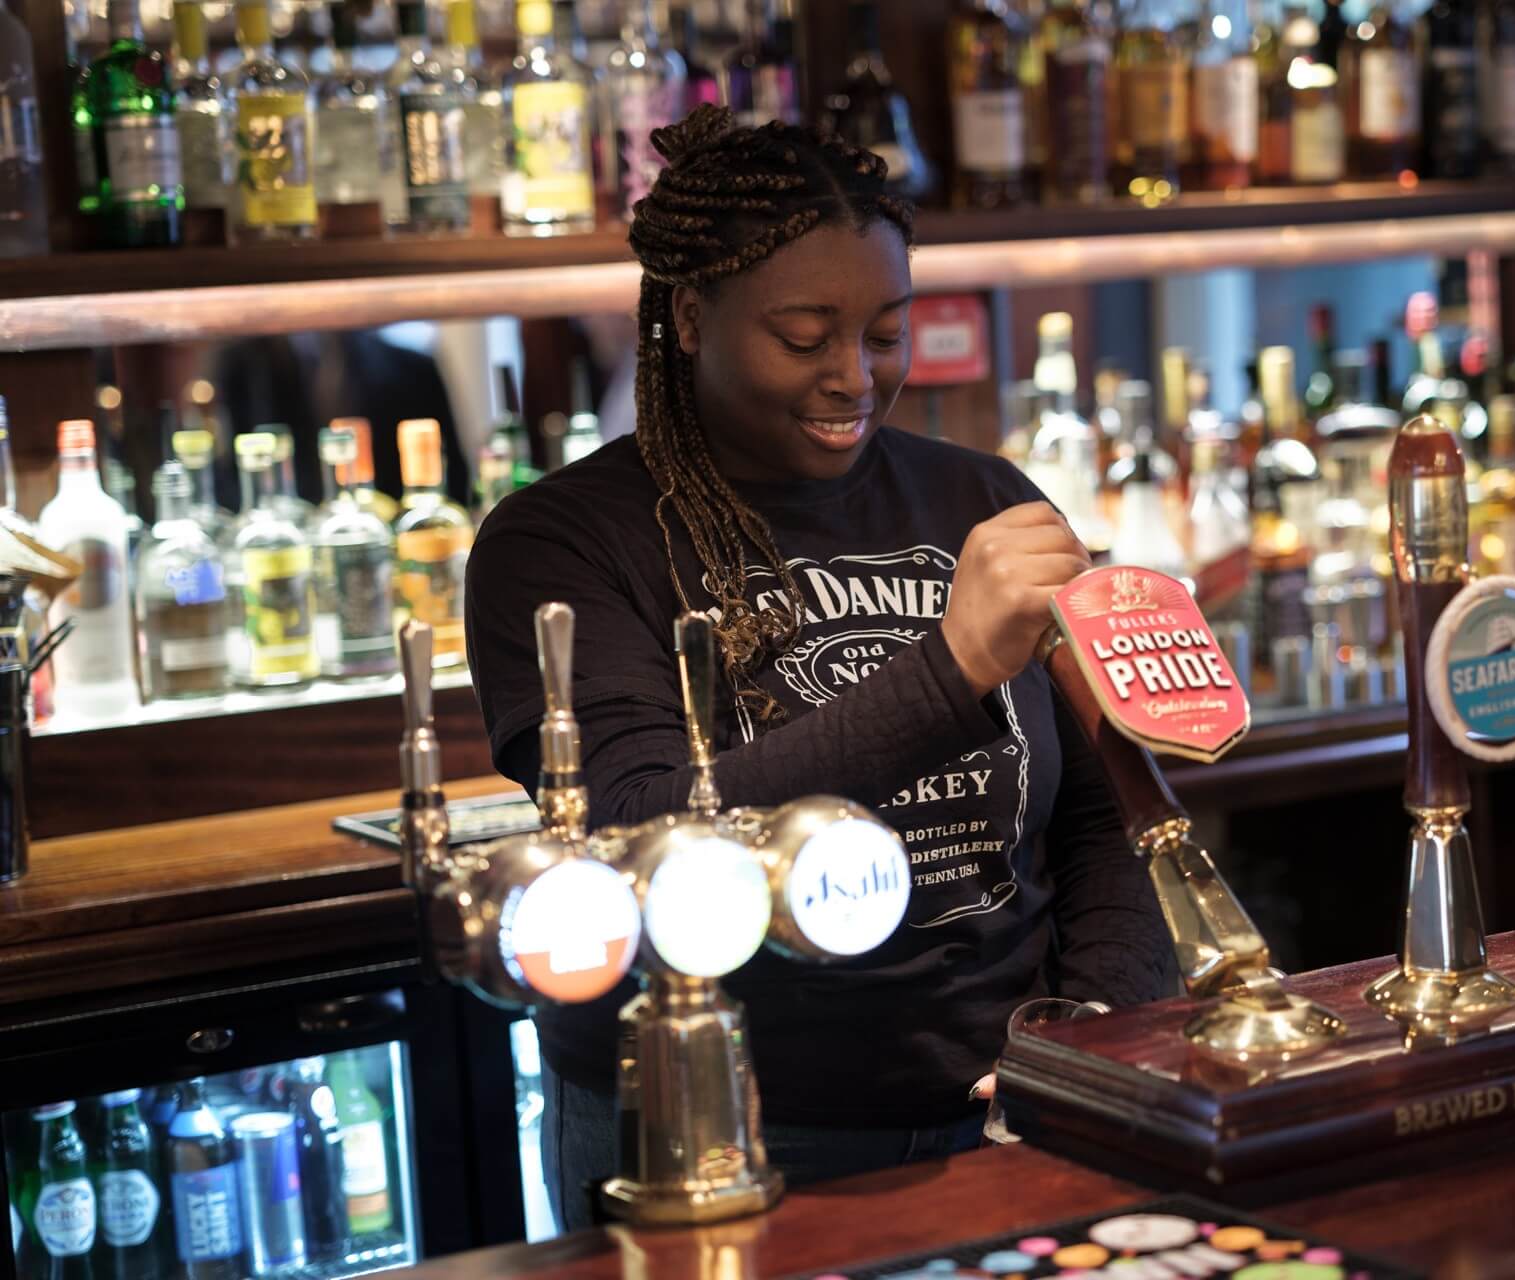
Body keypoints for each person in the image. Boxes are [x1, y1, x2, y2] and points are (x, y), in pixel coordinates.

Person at [465, 106, 1173, 1230]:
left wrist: (1099, 1023)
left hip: (1010, 1107)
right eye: (804, 336)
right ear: (690, 317)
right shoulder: (564, 542)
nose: (853, 374)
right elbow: (636, 840)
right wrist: (949, 669)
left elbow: (1106, 814)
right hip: (721, 1131)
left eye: (886, 332)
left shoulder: (980, 498)